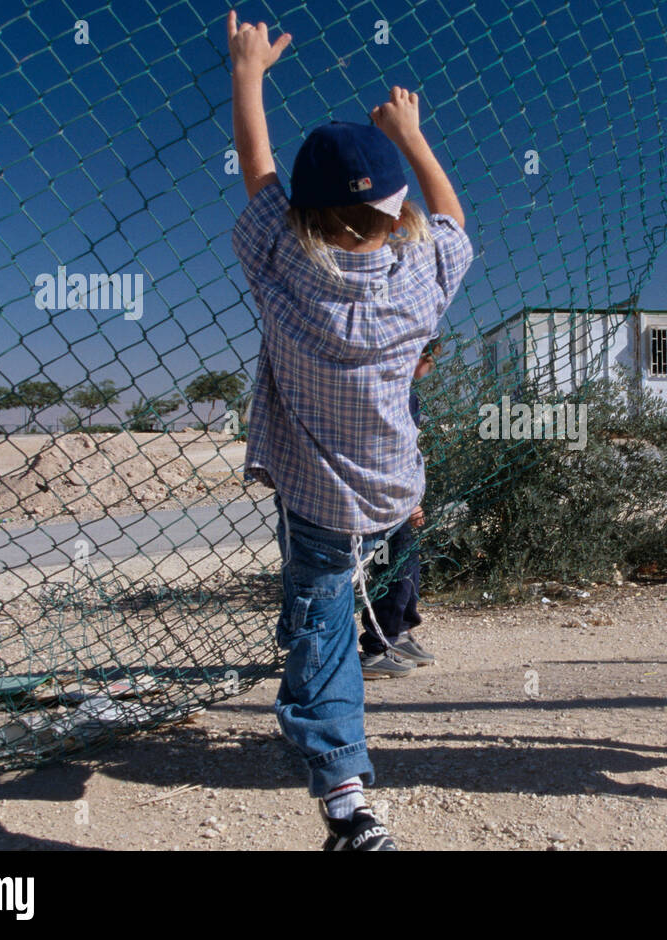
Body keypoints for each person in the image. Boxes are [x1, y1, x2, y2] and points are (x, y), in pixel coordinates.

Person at [227, 11, 472, 850]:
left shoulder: (282, 264)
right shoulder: (421, 281)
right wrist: (412, 133)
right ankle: (363, 639)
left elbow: (258, 172)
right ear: (397, 213)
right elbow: (454, 218)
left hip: (318, 501)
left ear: (302, 215)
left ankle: (345, 798)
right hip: (395, 491)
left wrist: (249, 73)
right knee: (344, 592)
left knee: (321, 623)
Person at [360, 340, 440, 678]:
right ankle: (380, 644)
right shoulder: (388, 394)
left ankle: (401, 629)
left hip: (399, 499)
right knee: (388, 570)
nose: (432, 366)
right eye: (432, 358)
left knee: (406, 563)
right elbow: (388, 452)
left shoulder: (406, 394)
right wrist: (406, 500)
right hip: (383, 501)